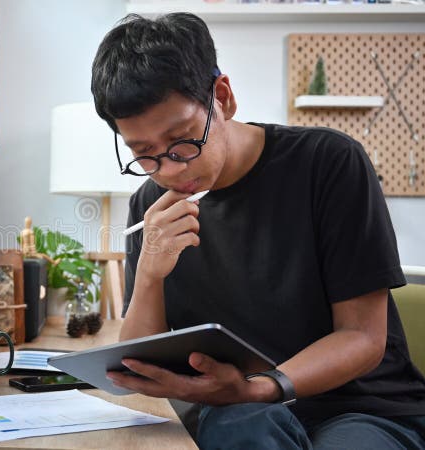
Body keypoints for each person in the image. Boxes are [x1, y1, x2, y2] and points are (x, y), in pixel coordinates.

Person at [90, 12, 425, 449]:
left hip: (364, 408)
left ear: (223, 97)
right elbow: (137, 365)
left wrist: (262, 386)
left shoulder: (328, 163)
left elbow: (362, 337)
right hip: (239, 411)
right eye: (145, 153)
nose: (170, 168)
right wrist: (151, 274)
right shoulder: (151, 206)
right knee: (244, 430)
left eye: (184, 140)